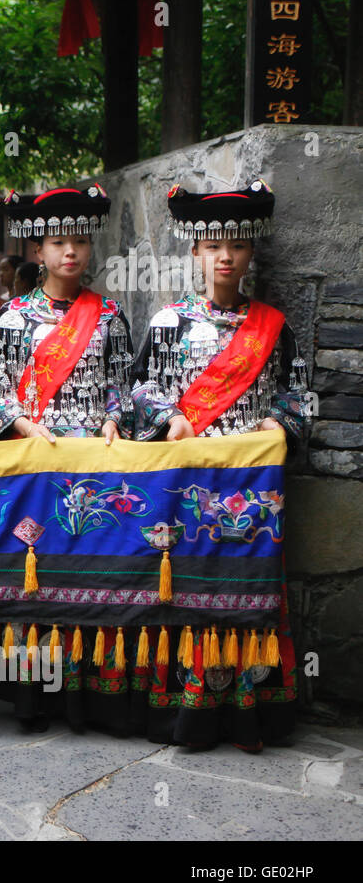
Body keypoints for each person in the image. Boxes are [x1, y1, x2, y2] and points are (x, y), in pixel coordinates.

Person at [130, 179, 309, 751]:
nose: (224, 256)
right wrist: (168, 418)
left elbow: (297, 396)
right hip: (186, 481)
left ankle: (250, 712)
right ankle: (189, 712)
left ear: (251, 251)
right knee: (188, 589)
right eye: (212, 245)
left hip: (253, 486)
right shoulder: (166, 323)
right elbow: (139, 389)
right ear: (195, 253)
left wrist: (281, 424)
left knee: (248, 590)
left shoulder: (273, 328)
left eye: (235, 245)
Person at [0, 183, 135, 733]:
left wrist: (115, 419)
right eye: (58, 242)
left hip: (93, 462)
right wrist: (22, 424)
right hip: (33, 462)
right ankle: (33, 695)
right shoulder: (15, 317)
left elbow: (124, 385)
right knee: (36, 575)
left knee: (91, 573)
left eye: (80, 242)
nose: (70, 252)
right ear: (38, 250)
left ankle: (89, 692)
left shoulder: (110, 317)